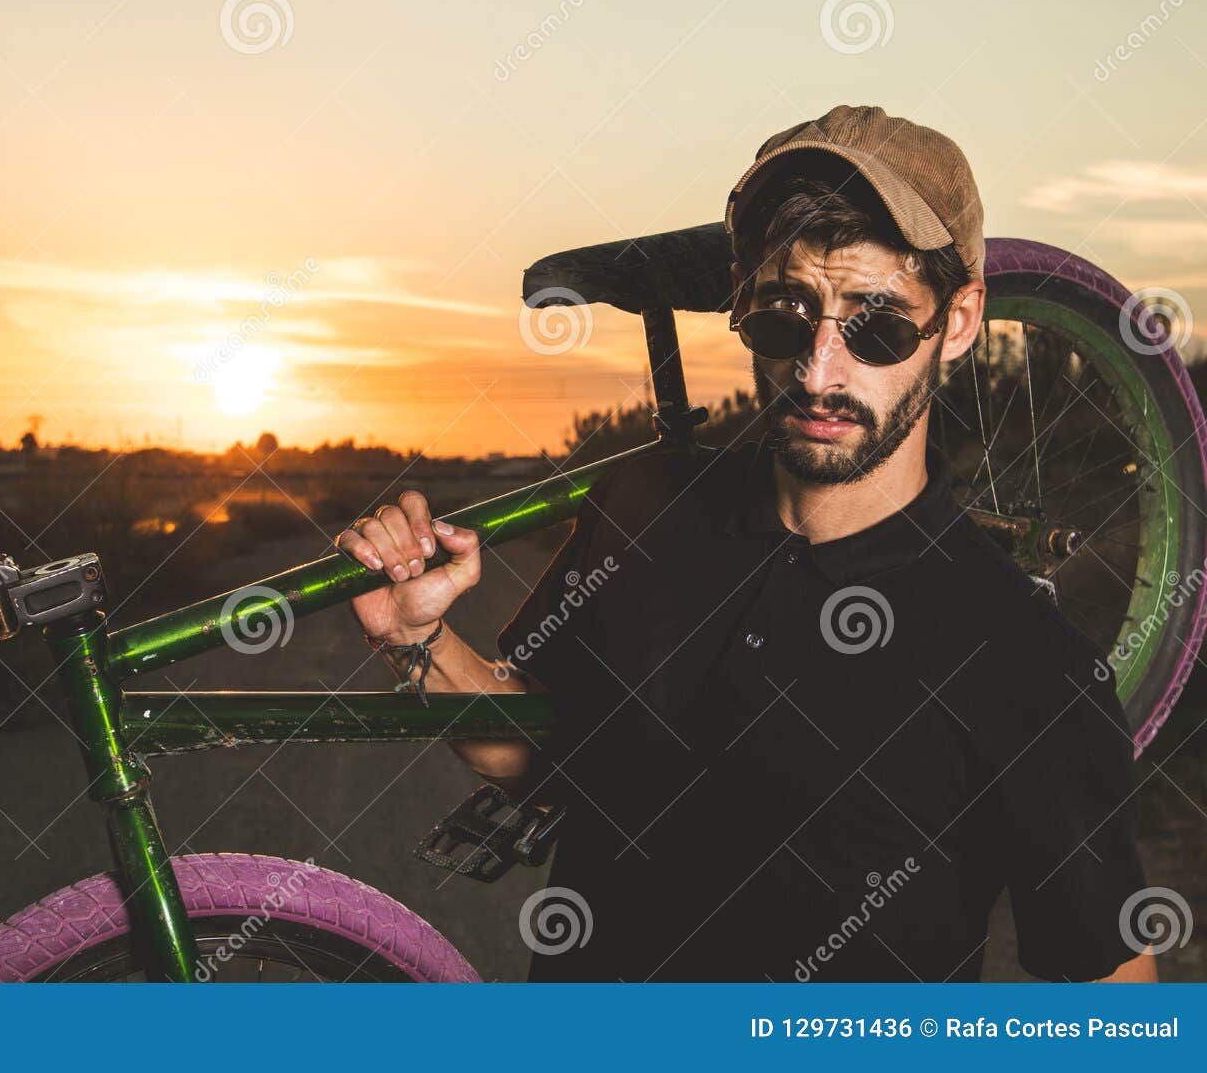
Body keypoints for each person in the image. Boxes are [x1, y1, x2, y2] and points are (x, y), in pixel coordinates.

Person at [336, 105, 1156, 982]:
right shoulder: (642, 504)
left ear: (957, 322)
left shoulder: (1028, 666)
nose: (818, 370)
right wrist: (417, 640)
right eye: (782, 316)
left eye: (876, 325)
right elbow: (545, 758)